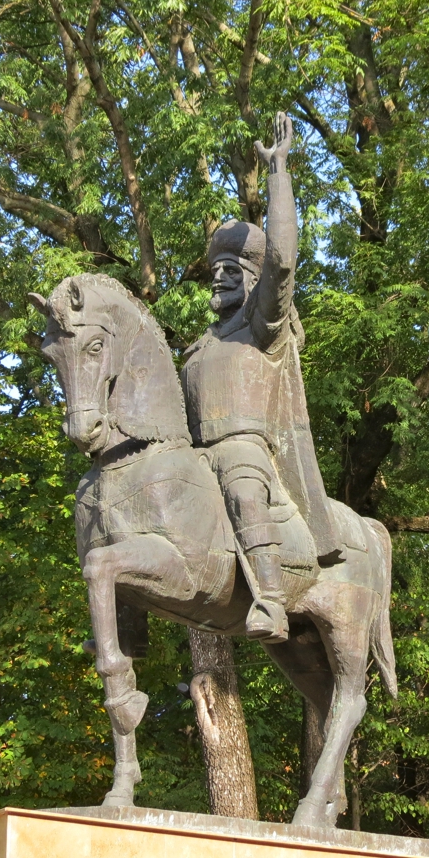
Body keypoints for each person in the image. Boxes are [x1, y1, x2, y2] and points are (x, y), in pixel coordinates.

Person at [180, 112, 343, 643]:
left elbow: (282, 259)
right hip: (196, 454)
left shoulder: (260, 327)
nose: (222, 278)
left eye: (235, 272)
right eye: (217, 271)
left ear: (253, 284)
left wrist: (278, 173)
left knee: (243, 481)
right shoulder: (199, 347)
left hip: (247, 451)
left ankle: (271, 600)